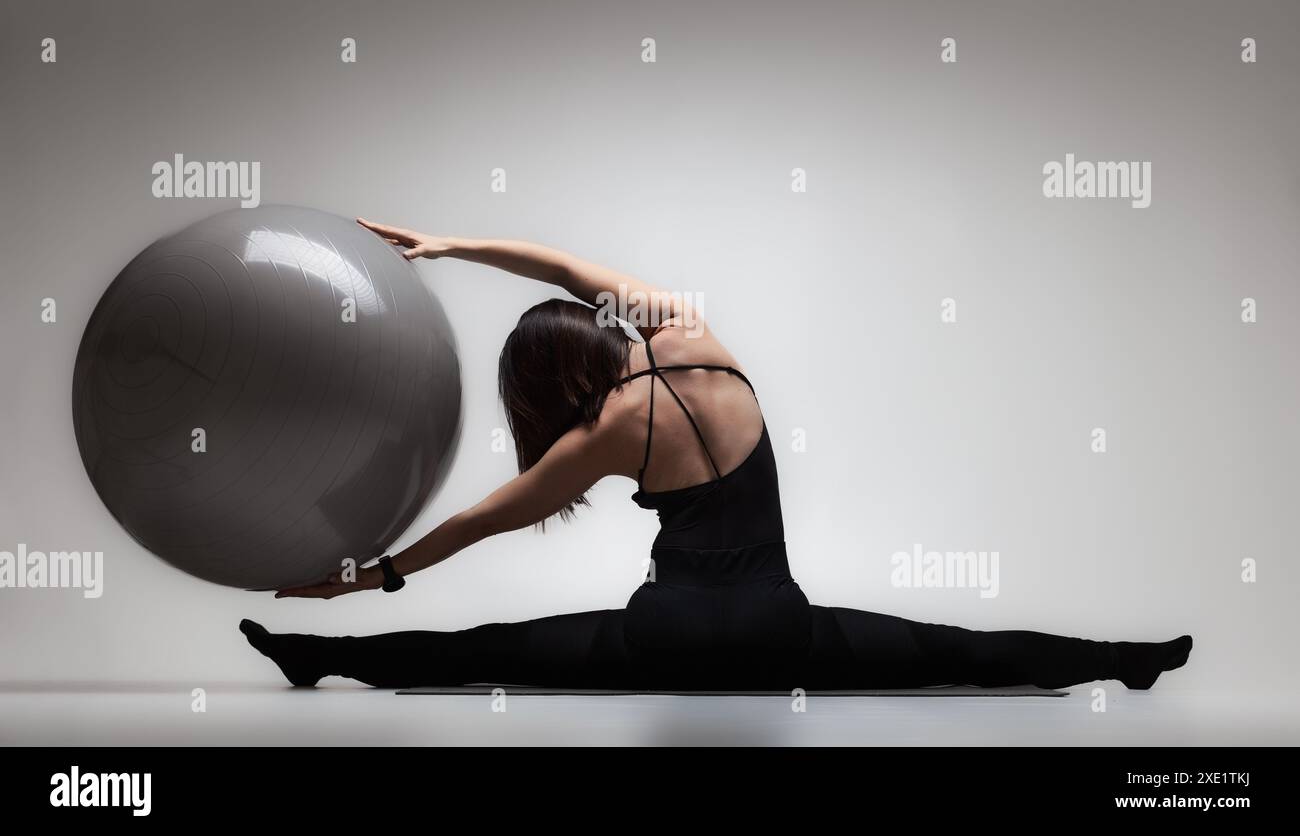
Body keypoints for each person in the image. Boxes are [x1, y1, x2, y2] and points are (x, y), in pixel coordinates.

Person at [241, 219, 1192, 692]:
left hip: (665, 640)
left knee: (494, 653)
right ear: (600, 335)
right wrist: (452, 245)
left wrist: (369, 576)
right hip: (784, 632)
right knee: (955, 653)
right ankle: (1123, 660)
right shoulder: (688, 332)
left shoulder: (603, 437)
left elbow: (478, 523)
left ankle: (319, 656)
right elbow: (568, 270)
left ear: (549, 381)